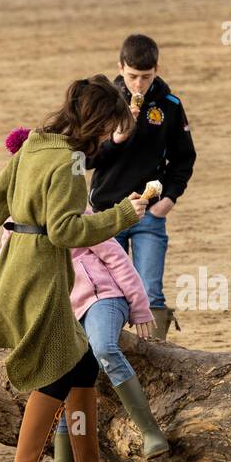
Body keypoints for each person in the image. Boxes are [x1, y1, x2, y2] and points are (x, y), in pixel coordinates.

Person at [0, 76, 150, 462]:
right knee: (54, 373)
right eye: (110, 126)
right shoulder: (70, 163)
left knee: (83, 365)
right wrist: (123, 214)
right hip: (46, 276)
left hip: (21, 270)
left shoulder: (32, 147)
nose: (111, 136)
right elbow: (66, 230)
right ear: (96, 121)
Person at [85, 34, 196, 341]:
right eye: (132, 76)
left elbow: (184, 158)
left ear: (156, 70)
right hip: (108, 212)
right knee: (111, 290)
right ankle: (112, 352)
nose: (138, 85)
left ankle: (155, 354)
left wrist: (170, 198)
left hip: (149, 213)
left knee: (150, 290)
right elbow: (83, 159)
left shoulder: (170, 106)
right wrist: (115, 139)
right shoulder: (105, 104)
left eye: (145, 77)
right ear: (120, 67)